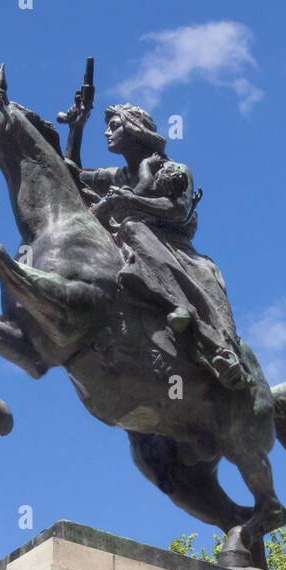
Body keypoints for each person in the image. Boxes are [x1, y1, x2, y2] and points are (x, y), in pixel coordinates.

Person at [64, 98, 249, 391]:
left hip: (170, 244)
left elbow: (178, 210)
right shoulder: (118, 175)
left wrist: (129, 200)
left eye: (114, 126)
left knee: (131, 226)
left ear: (135, 130)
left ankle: (199, 326)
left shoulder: (173, 169)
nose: (106, 133)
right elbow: (70, 175)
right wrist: (77, 128)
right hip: (127, 238)